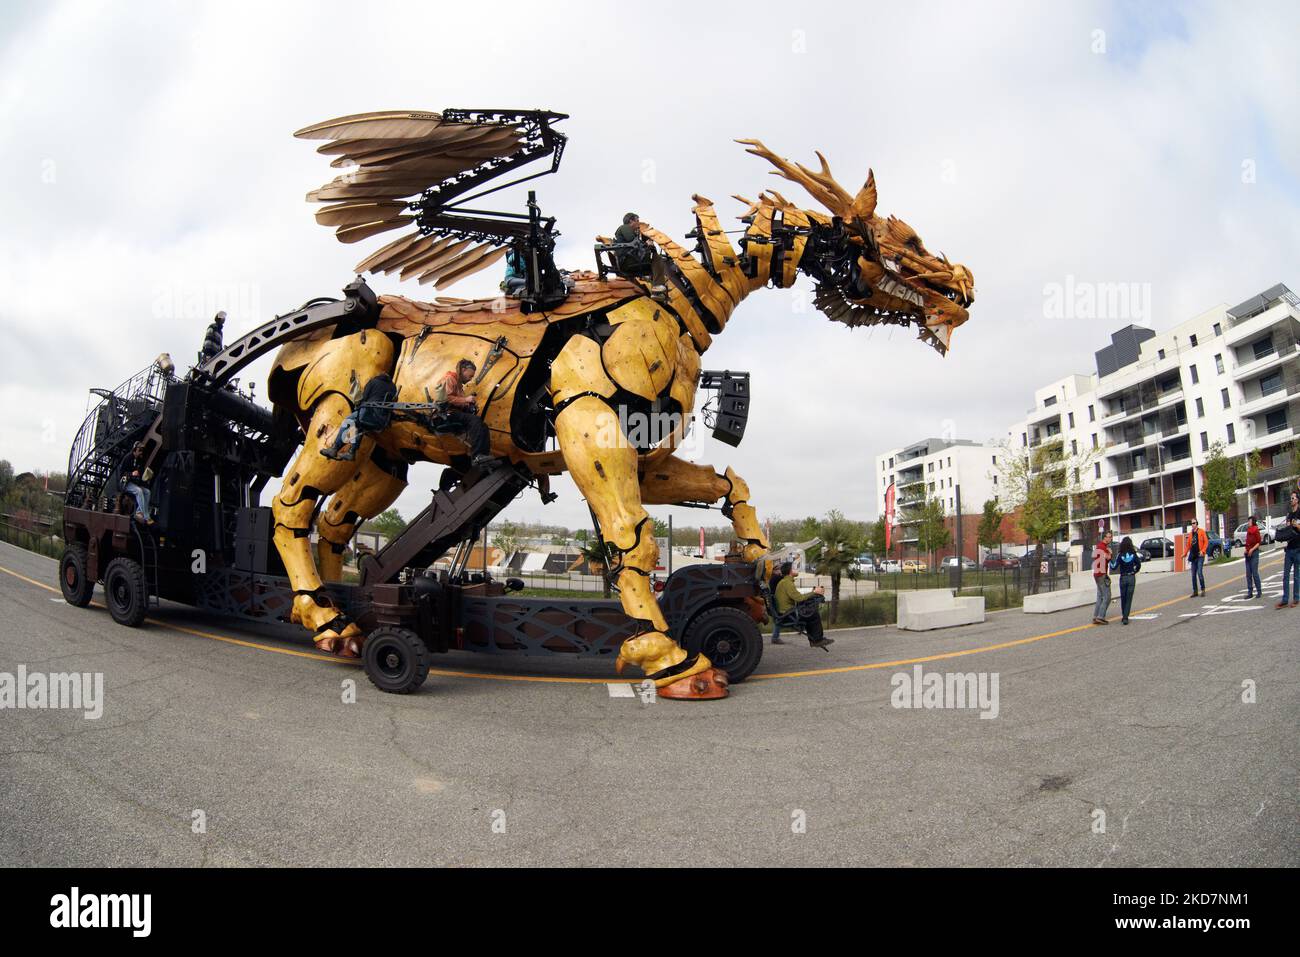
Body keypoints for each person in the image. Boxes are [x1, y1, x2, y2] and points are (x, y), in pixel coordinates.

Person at [321, 372, 398, 462]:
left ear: (379, 376)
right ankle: (351, 452)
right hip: (382, 421)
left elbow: (363, 398)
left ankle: (334, 448)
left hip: (369, 413)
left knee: (348, 421)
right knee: (358, 426)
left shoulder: (373, 382)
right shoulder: (393, 388)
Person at [434, 359, 494, 467]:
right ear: (463, 369)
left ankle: (484, 456)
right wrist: (465, 400)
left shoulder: (459, 386)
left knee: (482, 426)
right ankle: (478, 456)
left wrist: (467, 406)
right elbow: (446, 399)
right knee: (475, 421)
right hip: (444, 415)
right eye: (470, 376)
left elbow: (457, 401)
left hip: (453, 414)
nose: (470, 379)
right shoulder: (449, 379)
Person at [773, 561, 834, 650]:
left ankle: (815, 640)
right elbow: (799, 598)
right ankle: (817, 640)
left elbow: (796, 595)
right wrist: (814, 592)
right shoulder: (787, 583)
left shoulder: (785, 582)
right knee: (814, 614)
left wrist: (812, 593)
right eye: (794, 568)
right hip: (788, 614)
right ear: (790, 571)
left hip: (786, 612)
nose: (797, 569)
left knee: (810, 613)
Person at [1109, 536, 1143, 625]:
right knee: (1129, 598)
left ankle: (1124, 615)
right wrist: (1135, 571)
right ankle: (1125, 617)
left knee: (1123, 597)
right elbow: (1139, 564)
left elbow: (1113, 567)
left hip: (1123, 578)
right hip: (1131, 577)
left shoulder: (1120, 555)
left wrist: (1109, 559)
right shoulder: (1133, 554)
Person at [120, 441, 155, 526]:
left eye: (141, 450)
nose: (140, 452)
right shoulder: (127, 458)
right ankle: (146, 516)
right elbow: (121, 473)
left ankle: (139, 512)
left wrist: (146, 476)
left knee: (147, 492)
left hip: (134, 483)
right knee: (139, 491)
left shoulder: (140, 460)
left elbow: (141, 473)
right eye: (139, 450)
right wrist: (131, 474)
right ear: (134, 450)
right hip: (126, 483)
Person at [1277, 489, 1300, 609]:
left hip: (1298, 548)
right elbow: (1287, 531)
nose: (1291, 500)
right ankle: (1285, 599)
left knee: (1296, 575)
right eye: (1290, 498)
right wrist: (1287, 528)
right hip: (1289, 548)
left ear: (1297, 500)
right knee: (1285, 575)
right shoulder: (1289, 515)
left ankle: (1296, 598)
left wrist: (1297, 525)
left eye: (1293, 498)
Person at [1091, 529, 1113, 625]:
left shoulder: (1097, 547)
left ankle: (1095, 616)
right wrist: (1110, 553)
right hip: (1101, 574)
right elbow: (1107, 558)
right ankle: (1101, 616)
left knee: (1100, 596)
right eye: (1109, 537)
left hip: (1096, 573)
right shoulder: (1103, 547)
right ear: (1105, 538)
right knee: (1107, 596)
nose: (1111, 538)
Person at [1184, 517, 1208, 597]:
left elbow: (1206, 542)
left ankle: (1203, 589)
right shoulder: (1190, 534)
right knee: (1193, 575)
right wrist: (1184, 553)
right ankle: (1195, 591)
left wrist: (1203, 551)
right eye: (1192, 523)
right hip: (1193, 556)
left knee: (1199, 573)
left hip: (1200, 556)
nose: (1193, 524)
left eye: (1194, 523)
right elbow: (1188, 545)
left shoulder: (1201, 531)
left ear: (1197, 523)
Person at [1243, 515, 1263, 599]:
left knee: (1254, 573)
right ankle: (1250, 592)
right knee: (1248, 574)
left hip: (1254, 553)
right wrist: (1246, 549)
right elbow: (1247, 542)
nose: (1248, 523)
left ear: (1253, 522)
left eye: (1249, 521)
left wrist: (1252, 549)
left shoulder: (1255, 530)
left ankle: (1259, 591)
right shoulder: (1248, 530)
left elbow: (1259, 542)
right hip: (1247, 553)